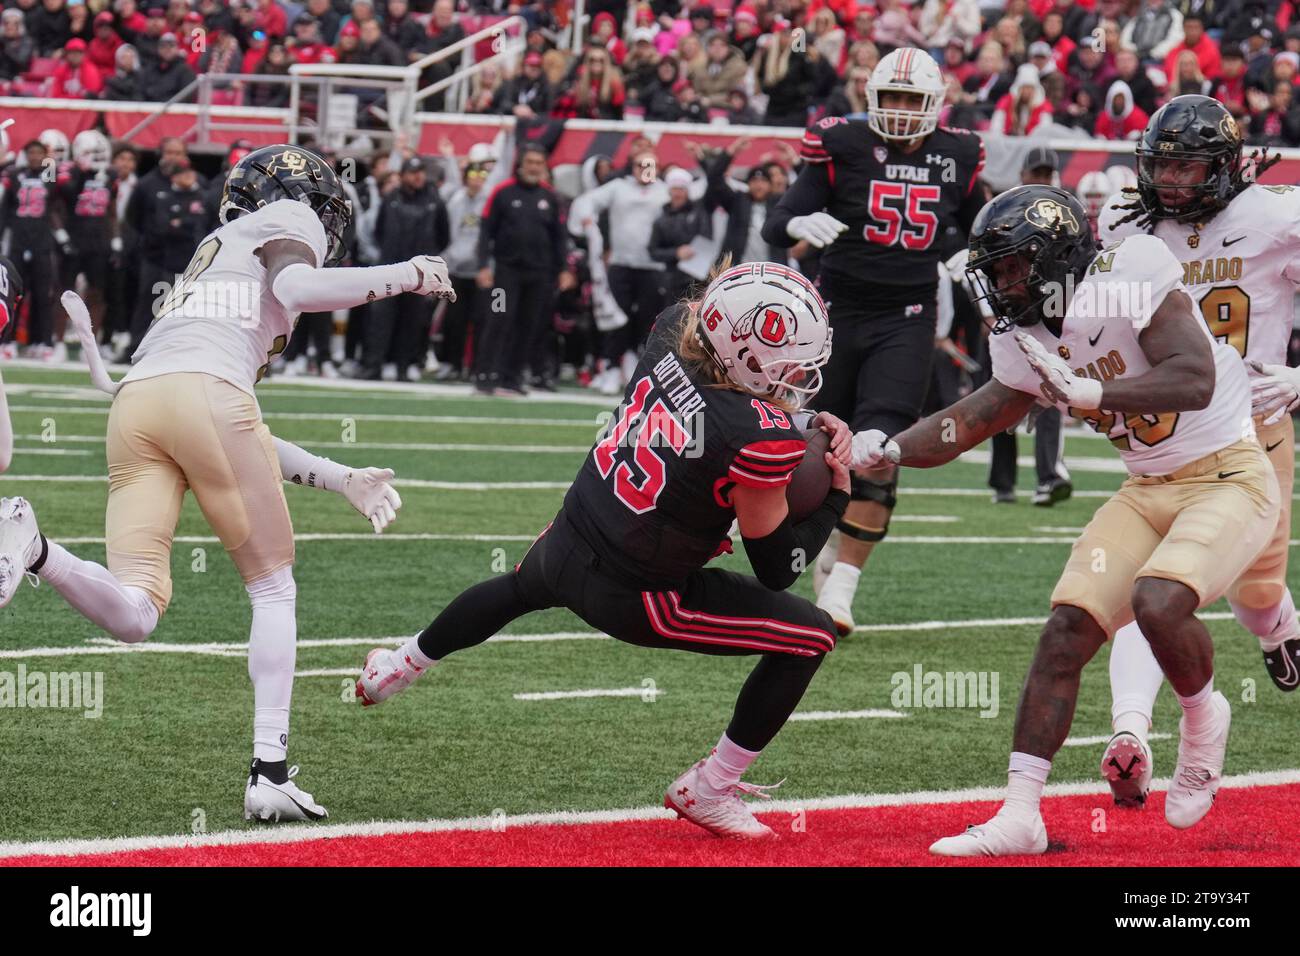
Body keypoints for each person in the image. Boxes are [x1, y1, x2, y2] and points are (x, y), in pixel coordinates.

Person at [0, 144, 455, 821]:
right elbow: (284, 312)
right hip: (199, 400)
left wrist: (339, 478)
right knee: (273, 586)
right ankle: (269, 771)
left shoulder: (217, 246)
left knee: (136, 613)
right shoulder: (291, 217)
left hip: (137, 404)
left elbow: (224, 423)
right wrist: (411, 272)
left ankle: (34, 548)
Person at [356, 262, 853, 840]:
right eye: (786, 357)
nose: (795, 371)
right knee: (810, 636)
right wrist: (835, 496)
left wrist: (792, 422)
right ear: (747, 348)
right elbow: (777, 569)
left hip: (572, 534)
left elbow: (716, 398)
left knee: (515, 589)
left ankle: (395, 668)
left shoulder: (676, 327)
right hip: (641, 592)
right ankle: (710, 788)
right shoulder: (760, 438)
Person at [853, 184, 1276, 855]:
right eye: (993, 271)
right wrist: (891, 449)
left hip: (1227, 474)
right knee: (1066, 628)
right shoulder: (1022, 335)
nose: (1001, 283)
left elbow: (1193, 376)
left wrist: (1093, 391)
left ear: (1057, 255)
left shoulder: (1125, 273)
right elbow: (977, 416)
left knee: (1157, 600)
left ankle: (1202, 718)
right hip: (1146, 486)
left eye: (1013, 266)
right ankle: (1022, 814)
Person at [1095, 95, 1300, 807]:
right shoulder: (1123, 222)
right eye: (1161, 165)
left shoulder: (1277, 218)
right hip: (1165, 434)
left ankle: (1281, 627)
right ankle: (1130, 733)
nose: (1171, 182)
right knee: (1149, 591)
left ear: (1224, 165)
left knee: (1255, 596)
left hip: (1253, 434)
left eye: (1187, 166)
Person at [762, 47, 986, 635]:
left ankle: (842, 588)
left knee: (879, 449)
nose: (902, 110)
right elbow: (776, 217)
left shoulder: (958, 154)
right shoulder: (842, 145)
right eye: (892, 98)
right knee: (808, 444)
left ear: (935, 104)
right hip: (833, 313)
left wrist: (971, 247)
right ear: (871, 99)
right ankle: (798, 547)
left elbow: (983, 221)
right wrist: (794, 224)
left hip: (907, 316)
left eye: (913, 100)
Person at [987, 146, 1072, 506]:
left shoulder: (1063, 214)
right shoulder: (1002, 212)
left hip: (1049, 311)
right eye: (1035, 174)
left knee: (1052, 394)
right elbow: (984, 266)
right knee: (1000, 400)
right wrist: (989, 317)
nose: (1040, 181)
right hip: (1006, 310)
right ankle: (1003, 482)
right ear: (1022, 175)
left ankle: (1048, 478)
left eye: (1046, 175)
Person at [475, 143, 571, 394]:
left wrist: (563, 269)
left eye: (539, 163)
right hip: (506, 271)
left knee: (529, 325)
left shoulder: (550, 197)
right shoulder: (502, 192)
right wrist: (483, 265)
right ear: (520, 164)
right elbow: (486, 231)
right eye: (530, 162)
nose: (534, 168)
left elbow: (559, 236)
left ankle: (512, 377)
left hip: (539, 273)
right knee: (498, 319)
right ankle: (485, 375)